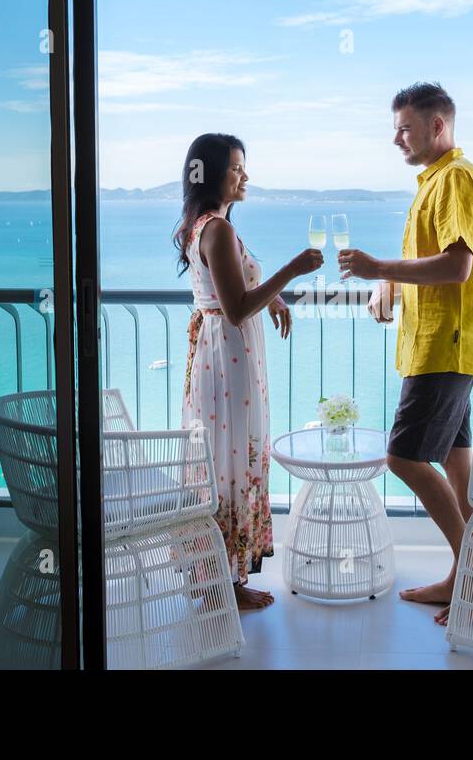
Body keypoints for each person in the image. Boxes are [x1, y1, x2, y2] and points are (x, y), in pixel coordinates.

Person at [338, 83, 473, 625]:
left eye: (405, 128)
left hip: (445, 345)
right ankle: (465, 578)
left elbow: (457, 265)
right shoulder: (436, 181)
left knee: (403, 456)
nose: (396, 139)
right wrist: (390, 287)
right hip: (445, 342)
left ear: (437, 126)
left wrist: (380, 268)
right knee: (457, 461)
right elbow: (434, 259)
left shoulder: (456, 178)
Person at [174, 133, 323, 610]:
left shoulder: (205, 224)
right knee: (232, 463)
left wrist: (271, 296)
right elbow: (235, 308)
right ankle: (224, 585)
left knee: (223, 461)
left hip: (222, 357)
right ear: (214, 172)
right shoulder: (217, 229)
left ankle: (220, 577)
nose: (245, 176)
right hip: (229, 361)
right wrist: (292, 272)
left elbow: (228, 291)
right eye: (237, 168)